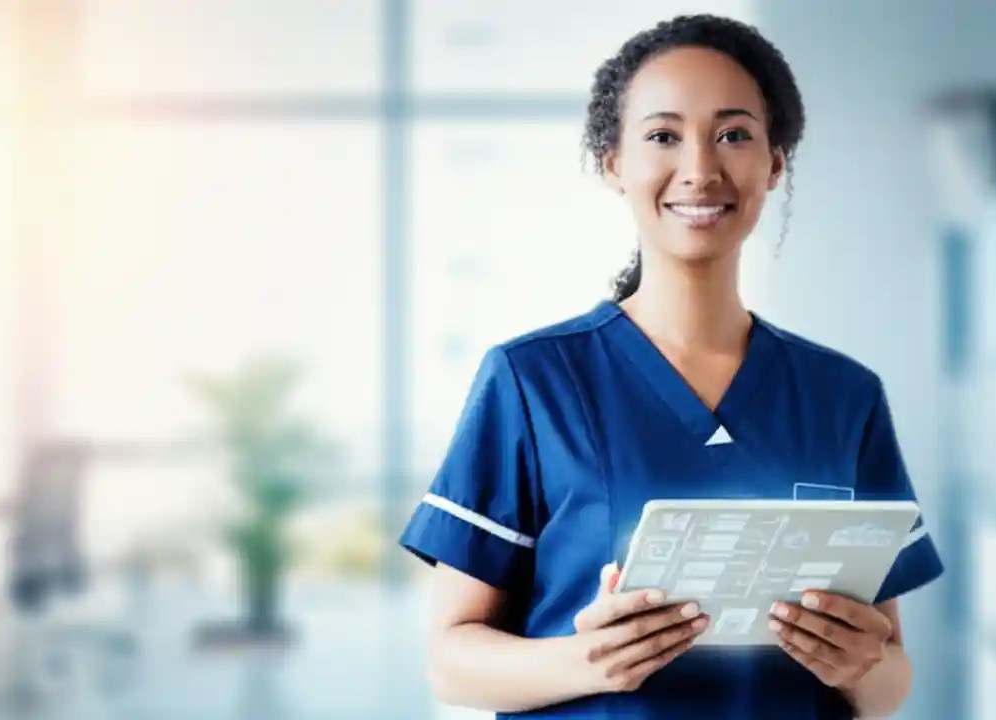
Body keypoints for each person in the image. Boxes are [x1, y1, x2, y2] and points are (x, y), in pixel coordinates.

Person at [399, 14, 944, 719]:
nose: (700, 169)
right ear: (614, 163)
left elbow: (889, 680)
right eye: (662, 136)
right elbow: (451, 664)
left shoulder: (845, 398)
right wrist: (585, 661)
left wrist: (859, 666)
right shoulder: (532, 381)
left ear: (775, 163)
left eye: (734, 134)